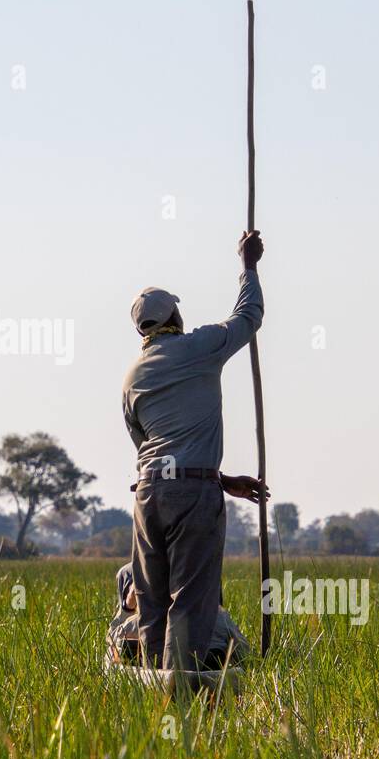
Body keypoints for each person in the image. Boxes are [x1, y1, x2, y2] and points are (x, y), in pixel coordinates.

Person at [121, 230, 268, 670]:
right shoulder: (199, 347)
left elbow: (149, 448)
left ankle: (152, 685)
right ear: (176, 317)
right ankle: (179, 692)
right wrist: (249, 265)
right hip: (192, 498)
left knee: (150, 598)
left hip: (148, 495)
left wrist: (223, 480)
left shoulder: (132, 378)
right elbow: (248, 317)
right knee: (190, 598)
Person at [106, 562, 249, 669]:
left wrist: (128, 608)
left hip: (160, 683)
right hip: (208, 682)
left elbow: (111, 649)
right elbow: (245, 655)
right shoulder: (220, 619)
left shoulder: (141, 623)